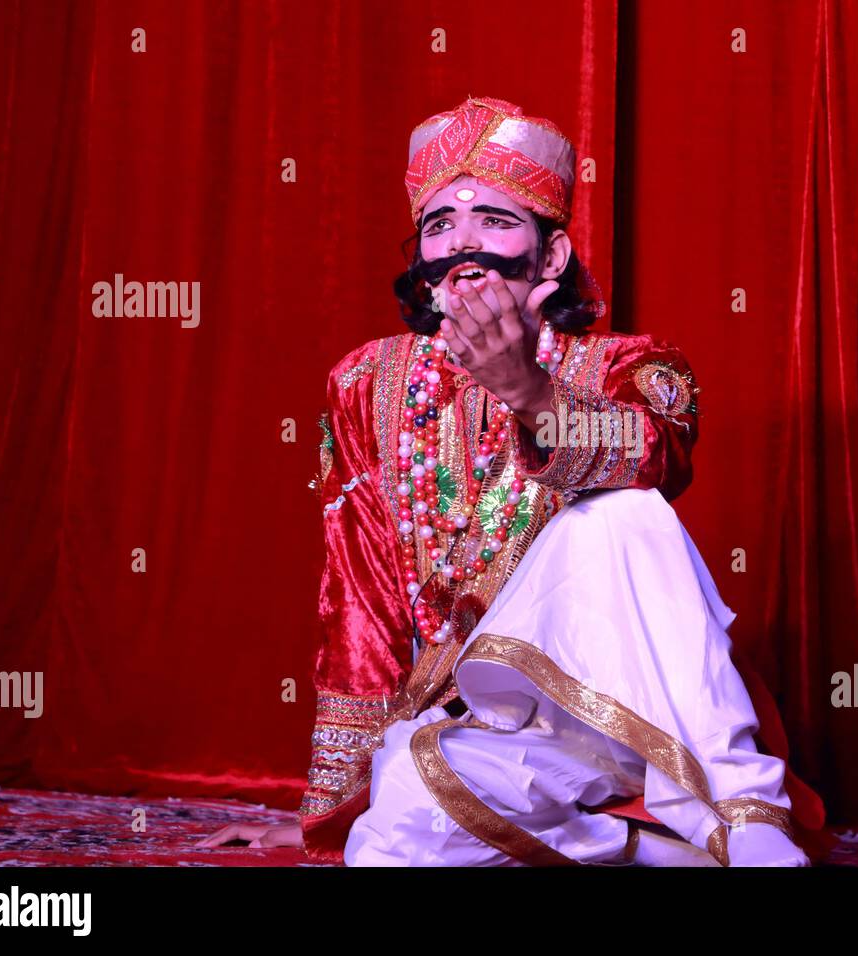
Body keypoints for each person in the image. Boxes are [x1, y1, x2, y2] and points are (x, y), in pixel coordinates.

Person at [198, 95, 817, 865]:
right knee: (394, 839)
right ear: (419, 259)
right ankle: (643, 840)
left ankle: (746, 817)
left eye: (496, 220)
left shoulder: (632, 364)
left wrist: (529, 391)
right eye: (439, 223)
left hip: (638, 713)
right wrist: (330, 820)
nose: (464, 242)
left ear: (550, 258)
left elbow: (656, 454)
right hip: (486, 722)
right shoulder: (364, 382)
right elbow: (359, 602)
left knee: (619, 512)